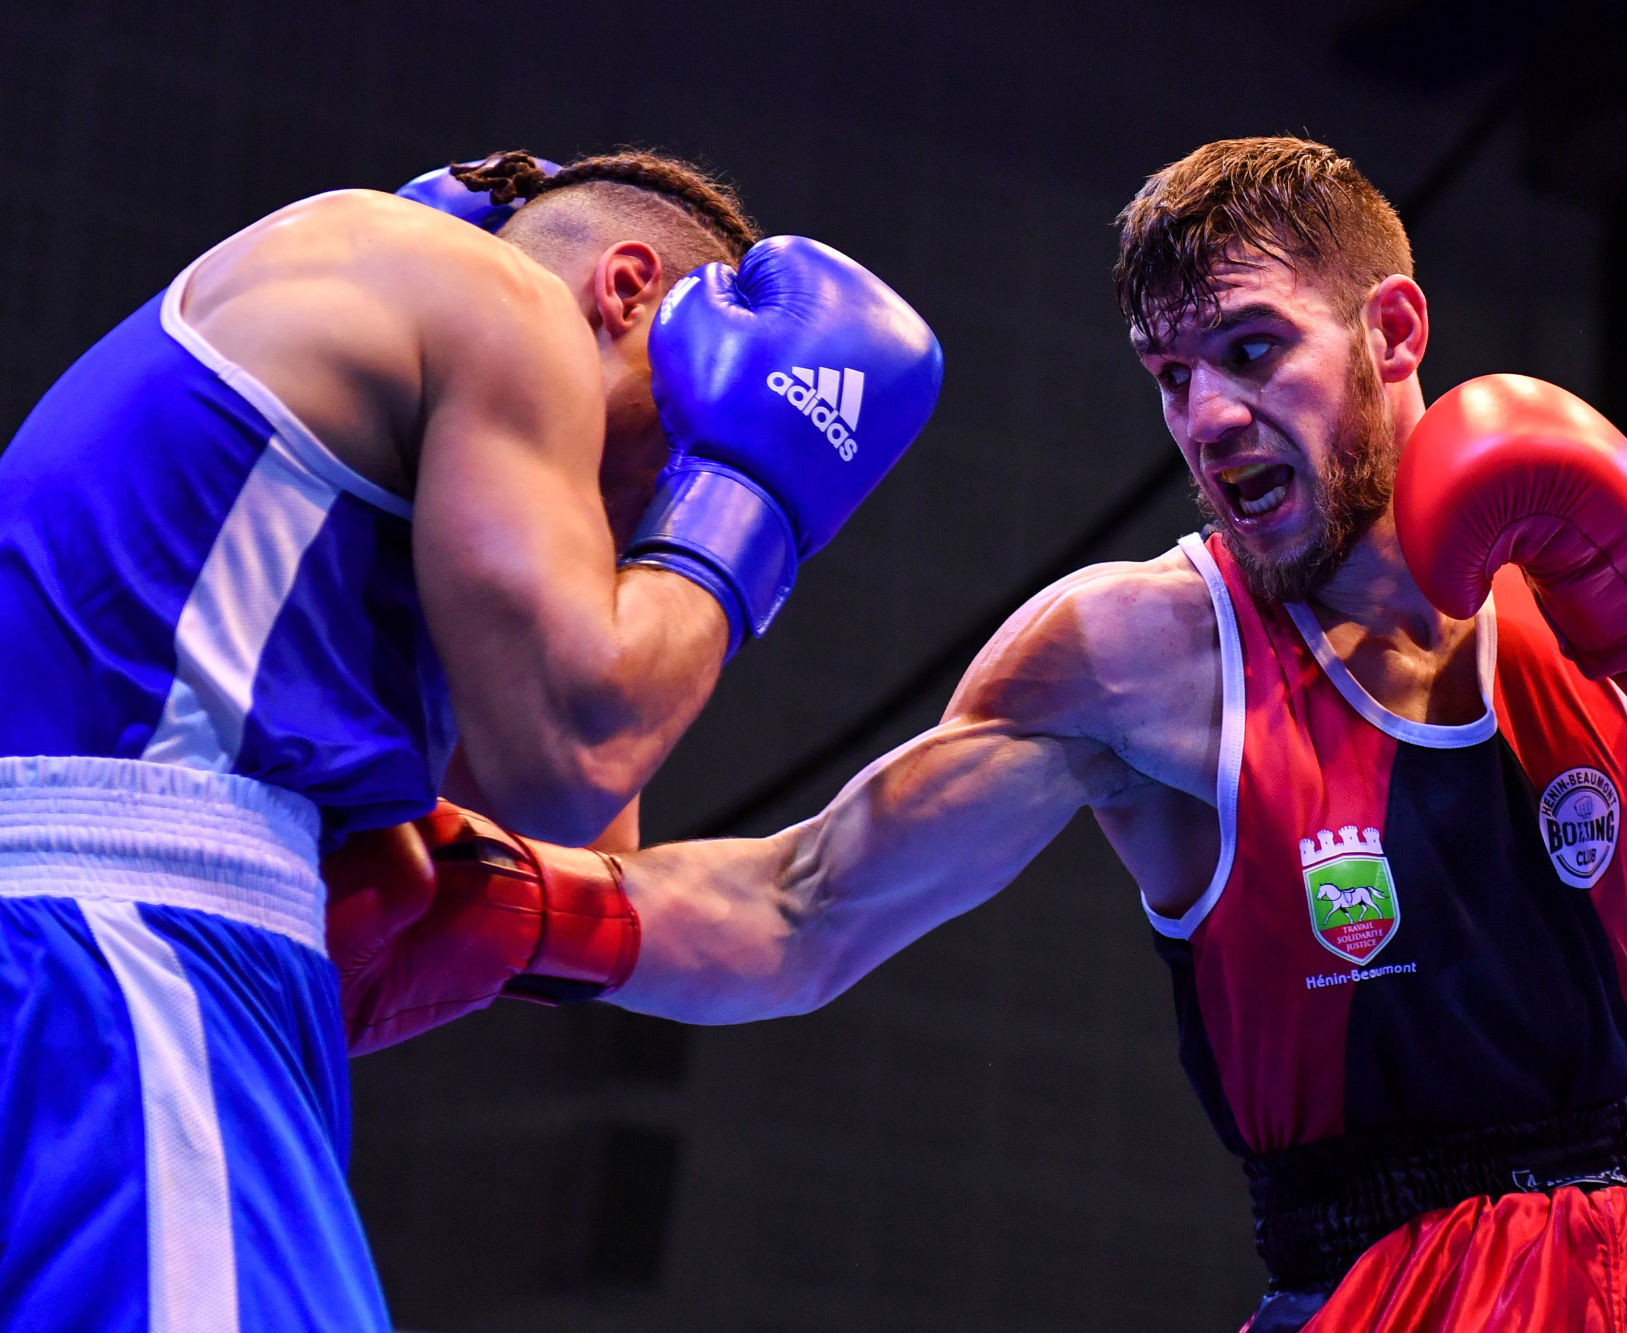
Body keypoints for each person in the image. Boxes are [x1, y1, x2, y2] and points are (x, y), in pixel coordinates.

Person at [331, 138, 1627, 1330]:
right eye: (1170, 376)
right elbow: (800, 905)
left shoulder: (1567, 558)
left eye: (1253, 352)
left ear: (1393, 333)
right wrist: (519, 904)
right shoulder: (1140, 651)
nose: (1208, 419)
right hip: (1364, 1285)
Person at [0, 146, 942, 1330]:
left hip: (111, 962)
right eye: (659, 457)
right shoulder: (497, 299)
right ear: (627, 288)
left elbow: (585, 829)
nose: (635, 501)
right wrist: (751, 487)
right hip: (121, 949)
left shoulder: (350, 411)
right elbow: (578, 749)